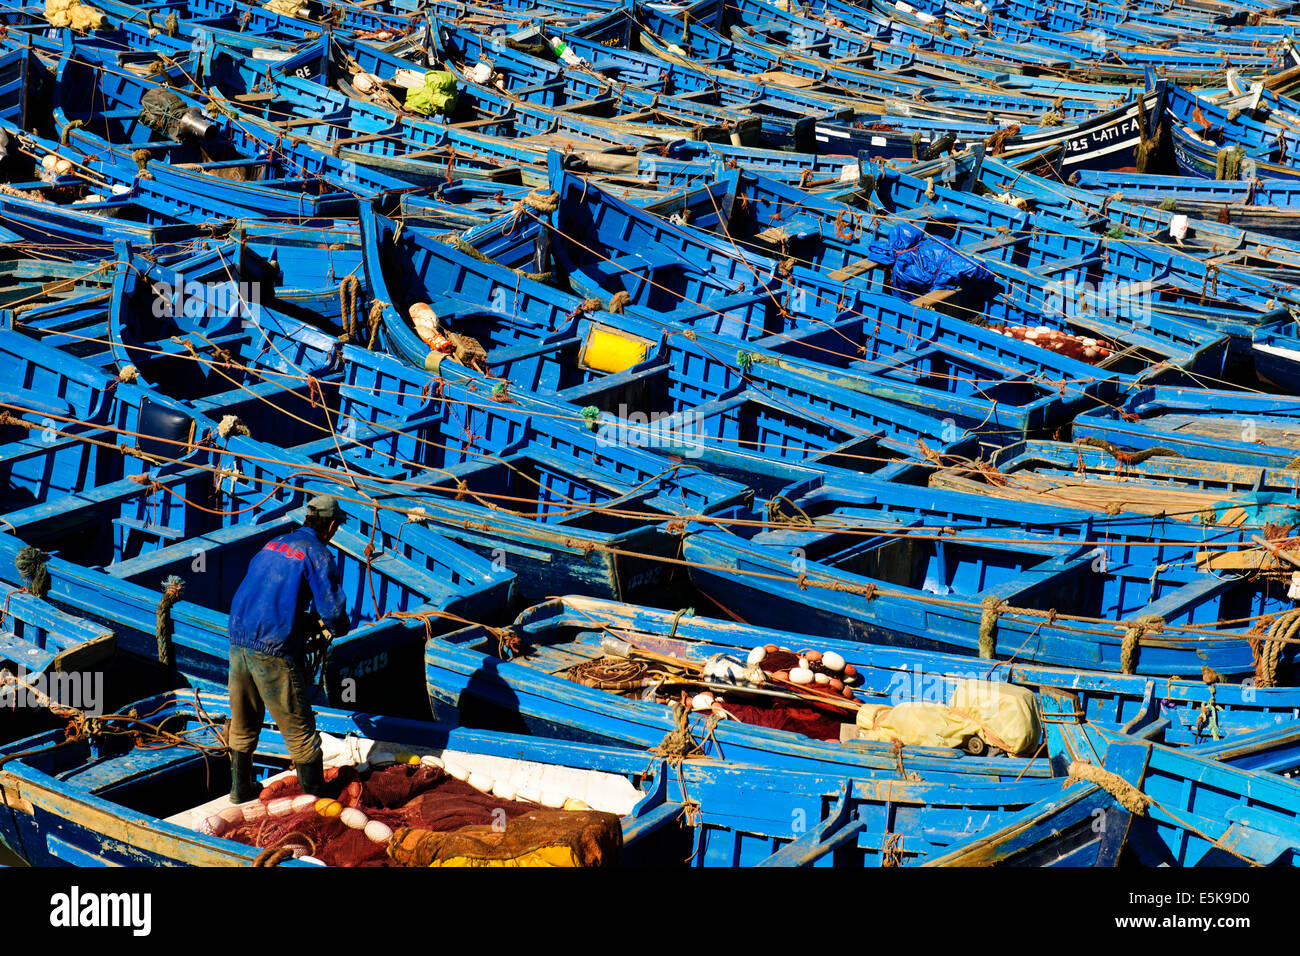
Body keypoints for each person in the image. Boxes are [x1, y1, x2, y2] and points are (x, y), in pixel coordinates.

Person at [226, 494, 351, 803]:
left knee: (243, 721)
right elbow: (333, 612)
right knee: (300, 730)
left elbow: (267, 592)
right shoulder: (318, 554)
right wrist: (339, 630)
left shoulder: (273, 543)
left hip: (238, 639)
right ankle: (317, 802)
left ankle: (240, 790)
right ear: (332, 526)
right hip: (272, 648)